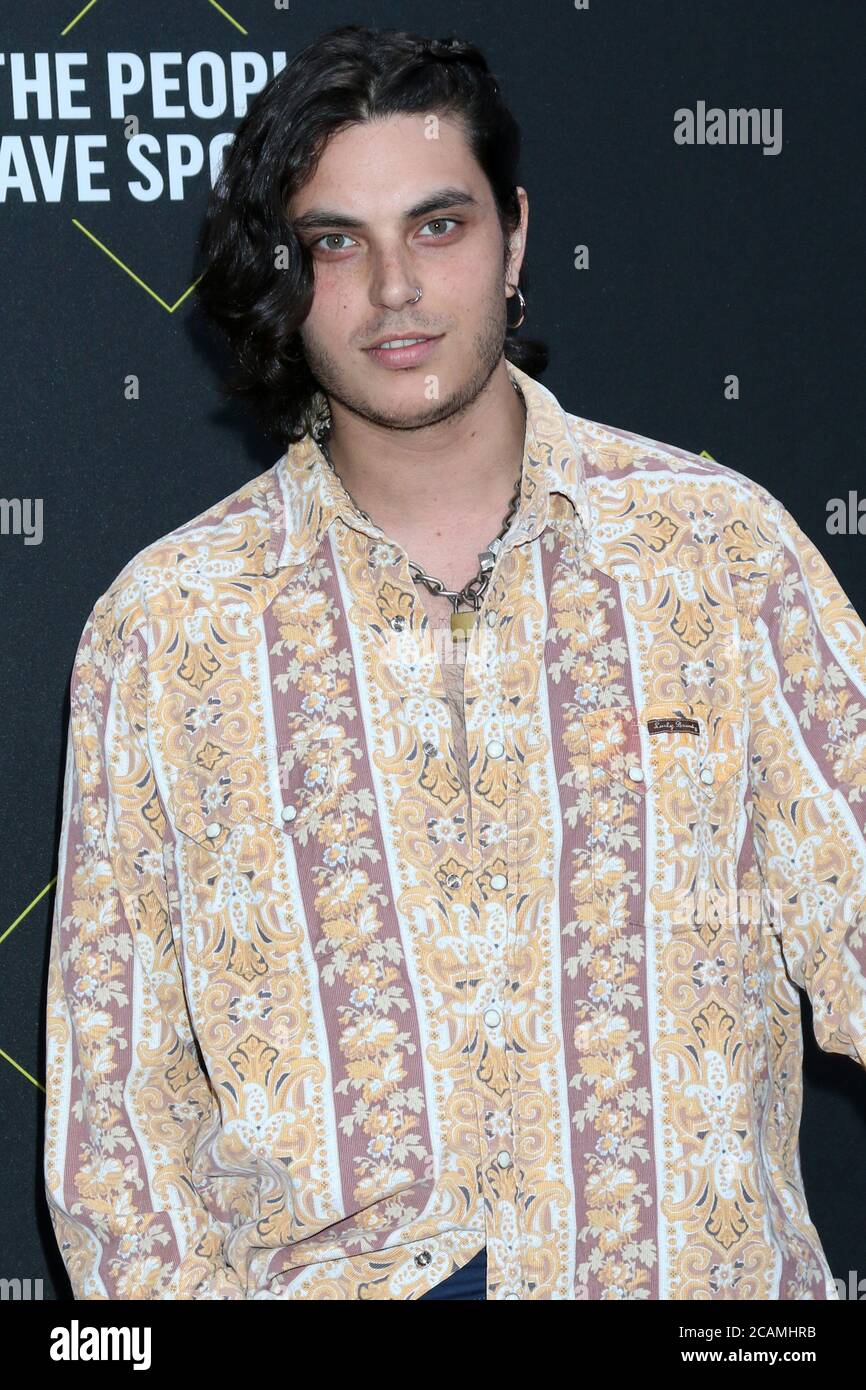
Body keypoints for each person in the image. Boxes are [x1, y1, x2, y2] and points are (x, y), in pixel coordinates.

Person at [44, 23, 866, 1301]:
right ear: (281, 272)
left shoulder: (715, 555)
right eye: (335, 242)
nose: (393, 291)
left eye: (437, 227)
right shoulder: (166, 632)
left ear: (515, 236)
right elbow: (115, 1119)